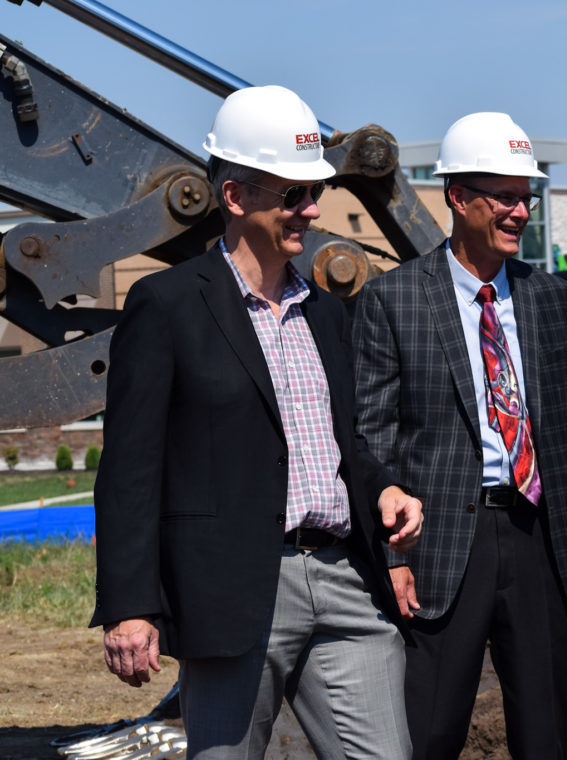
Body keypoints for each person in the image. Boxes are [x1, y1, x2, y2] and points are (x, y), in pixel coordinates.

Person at [91, 85, 422, 759]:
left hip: (343, 581)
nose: (312, 210)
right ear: (236, 197)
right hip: (233, 591)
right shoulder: (168, 306)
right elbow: (130, 469)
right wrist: (131, 605)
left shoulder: (327, 311)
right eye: (293, 195)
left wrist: (383, 487)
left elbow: (347, 441)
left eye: (314, 192)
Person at [351, 111, 567, 760]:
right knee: (429, 732)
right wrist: (393, 555)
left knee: (548, 731)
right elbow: (371, 439)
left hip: (542, 537)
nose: (519, 212)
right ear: (457, 196)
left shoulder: (549, 299)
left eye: (525, 198)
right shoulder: (394, 301)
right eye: (504, 197)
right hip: (445, 545)